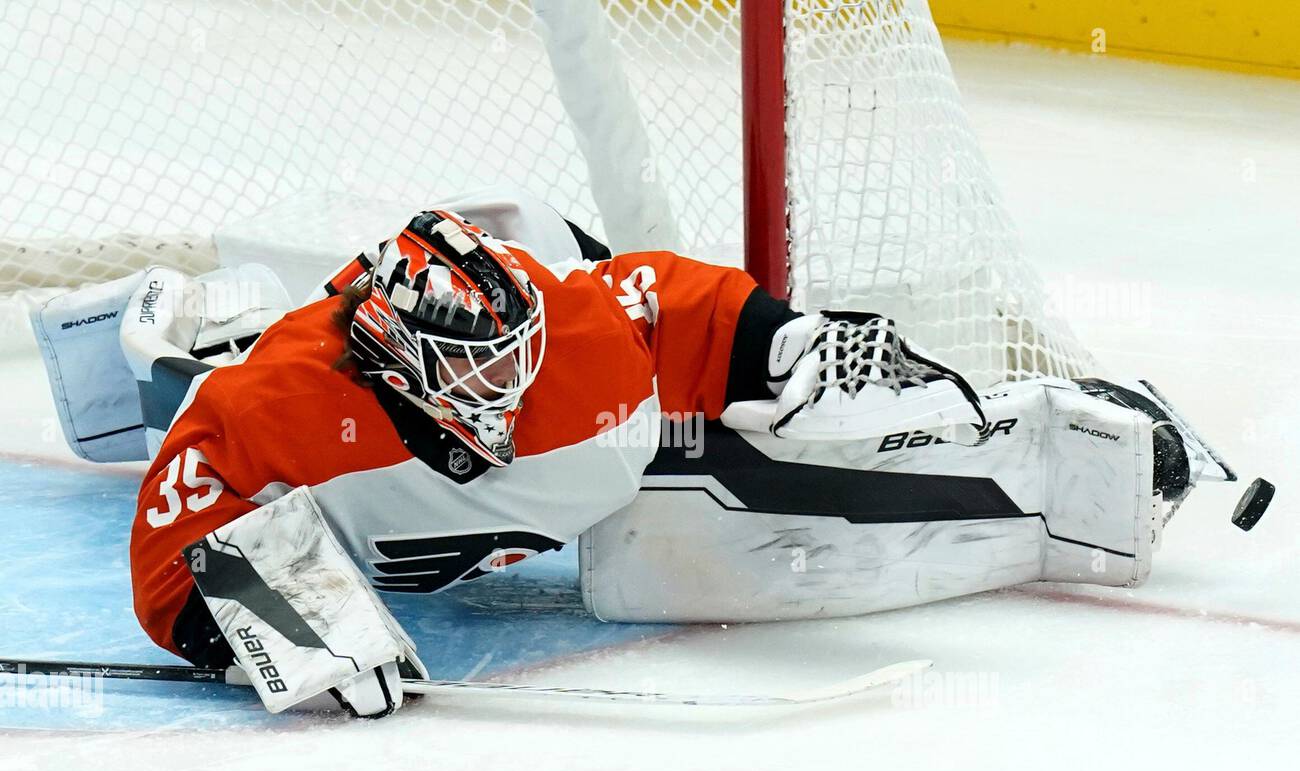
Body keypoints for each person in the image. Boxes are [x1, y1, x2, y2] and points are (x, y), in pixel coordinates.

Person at [36, 194, 1228, 717]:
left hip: (541, 496)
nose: (506, 389)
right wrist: (279, 624)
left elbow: (667, 298)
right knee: (175, 384)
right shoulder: (285, 396)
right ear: (393, 363)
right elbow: (173, 517)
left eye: (516, 359)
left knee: (733, 465)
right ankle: (137, 332)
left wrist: (784, 341)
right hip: (358, 511)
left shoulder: (572, 337)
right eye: (472, 375)